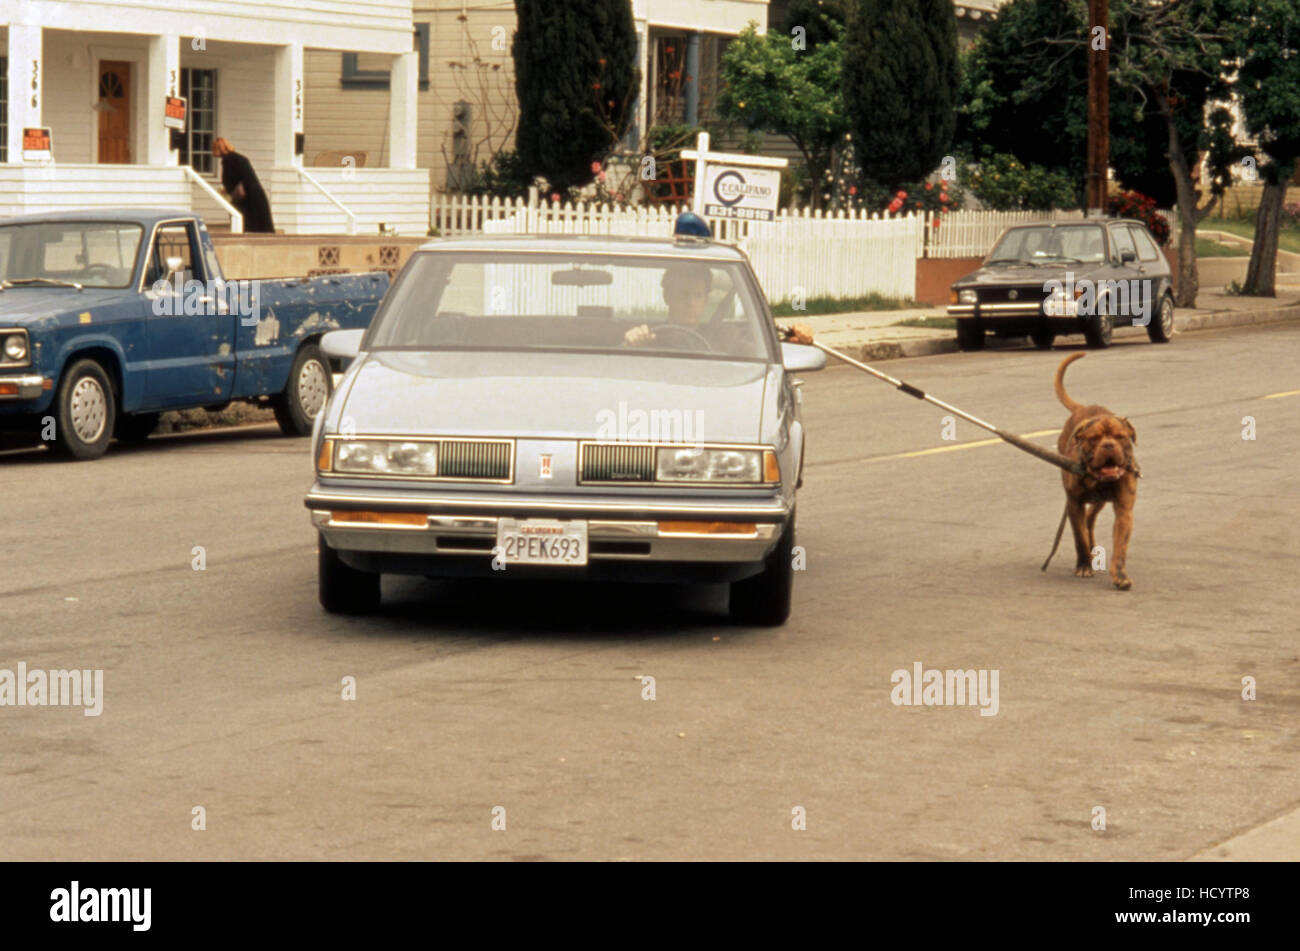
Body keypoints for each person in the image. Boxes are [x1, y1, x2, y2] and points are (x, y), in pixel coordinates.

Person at [623, 266, 813, 350]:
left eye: (698, 295)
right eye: (683, 295)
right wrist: (630, 344)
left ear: (706, 299)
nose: (691, 303)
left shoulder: (726, 336)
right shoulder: (648, 338)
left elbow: (761, 356)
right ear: (667, 297)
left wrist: (795, 341)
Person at [213, 138, 275, 233]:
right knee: (260, 224)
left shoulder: (228, 160)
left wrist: (225, 189)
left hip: (246, 198)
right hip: (256, 194)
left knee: (246, 223)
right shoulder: (239, 158)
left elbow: (229, 179)